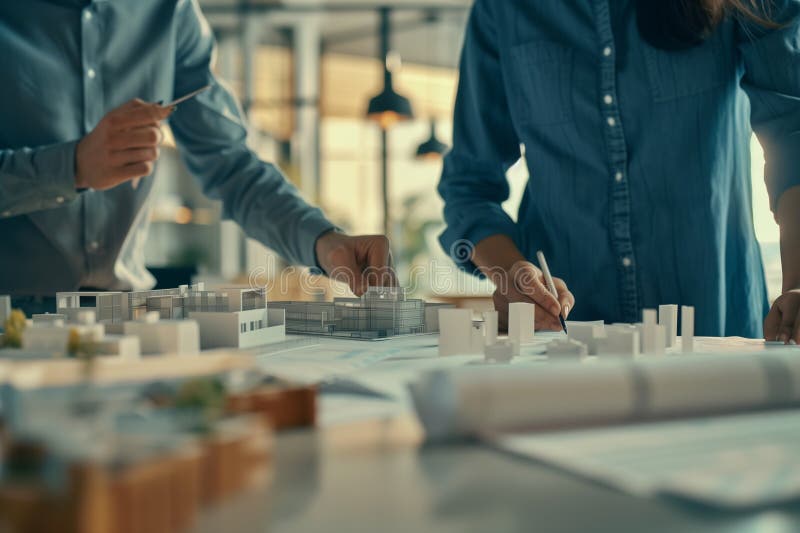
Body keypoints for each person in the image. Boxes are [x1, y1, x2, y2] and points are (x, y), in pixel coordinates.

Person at [438, 0, 800, 341]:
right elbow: (469, 190)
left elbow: (793, 131)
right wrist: (510, 273)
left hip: (715, 339)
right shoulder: (502, 9)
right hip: (560, 353)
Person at [0, 0, 393, 309]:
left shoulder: (170, 10)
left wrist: (323, 242)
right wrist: (71, 168)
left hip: (126, 315)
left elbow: (231, 166)